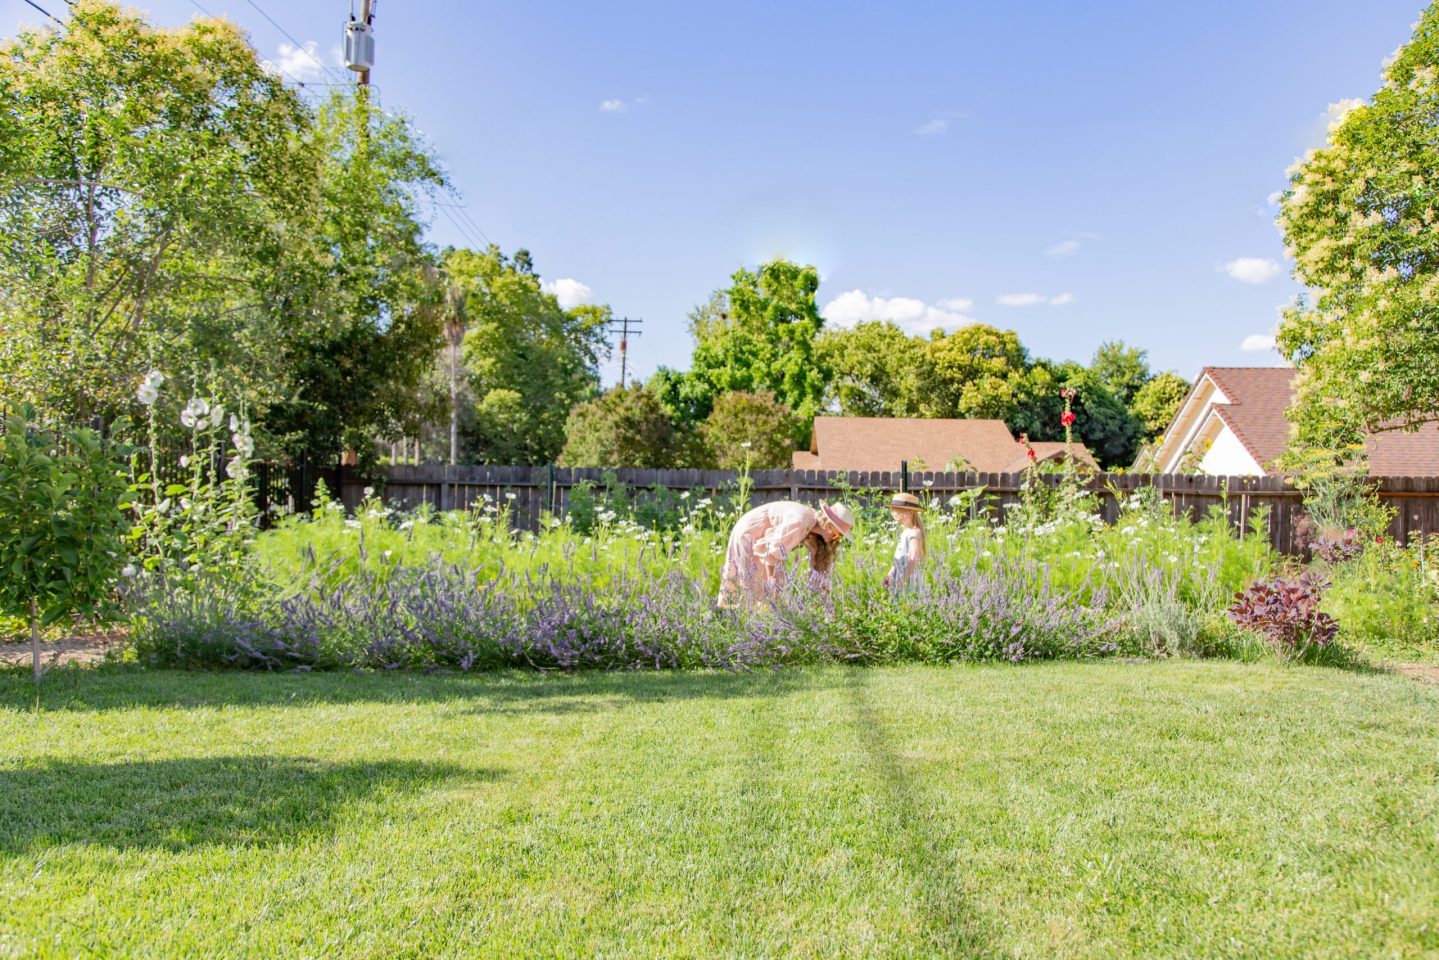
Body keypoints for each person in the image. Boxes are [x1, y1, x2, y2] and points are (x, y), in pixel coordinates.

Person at [716, 500, 855, 608]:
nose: (837, 539)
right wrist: (773, 584)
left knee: (768, 595)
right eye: (837, 535)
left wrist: (819, 596)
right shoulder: (800, 522)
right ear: (828, 525)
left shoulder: (812, 527)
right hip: (750, 533)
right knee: (752, 590)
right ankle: (744, 630)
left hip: (764, 541)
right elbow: (772, 549)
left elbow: (817, 569)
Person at [882, 492, 927, 593]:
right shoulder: (905, 532)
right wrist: (890, 575)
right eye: (894, 513)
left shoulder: (915, 533)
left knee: (908, 604)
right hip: (899, 576)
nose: (896, 517)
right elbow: (897, 561)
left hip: (909, 579)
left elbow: (913, 559)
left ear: (910, 513)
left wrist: (903, 579)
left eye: (899, 514)